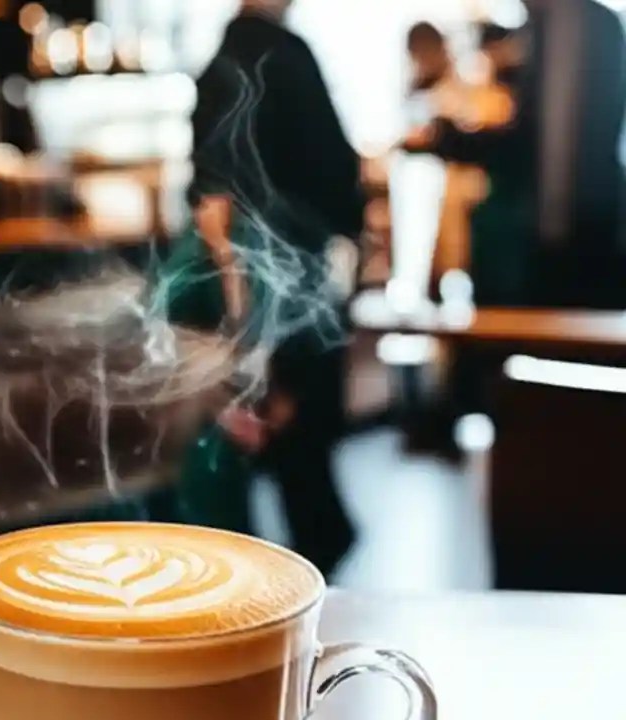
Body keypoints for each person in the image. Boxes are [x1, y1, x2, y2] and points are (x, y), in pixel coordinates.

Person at [182, 0, 364, 577]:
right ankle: (311, 570)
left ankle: (276, 574)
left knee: (261, 427)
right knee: (297, 427)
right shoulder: (288, 57)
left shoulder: (218, 65)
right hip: (290, 275)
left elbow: (205, 191)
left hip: (250, 279)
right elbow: (337, 174)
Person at [406, 0, 626, 308]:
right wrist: (446, 138)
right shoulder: (524, 37)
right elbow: (517, 139)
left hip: (592, 238)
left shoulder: (601, 26)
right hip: (527, 242)